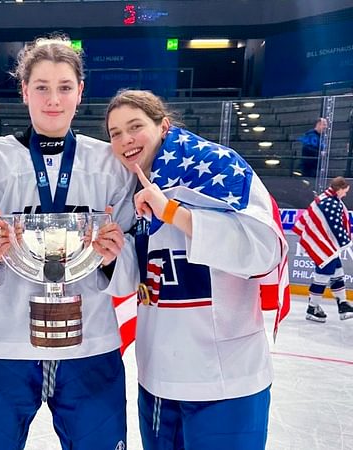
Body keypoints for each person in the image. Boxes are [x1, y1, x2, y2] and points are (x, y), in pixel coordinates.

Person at [0, 36, 138, 450]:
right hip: (3, 343)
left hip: (91, 344)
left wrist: (115, 257)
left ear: (80, 91)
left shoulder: (111, 163)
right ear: (24, 91)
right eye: (41, 87)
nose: (52, 99)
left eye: (64, 87)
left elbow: (130, 250)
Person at [105, 89, 287, 450]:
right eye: (114, 133)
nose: (125, 139)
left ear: (164, 125)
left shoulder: (220, 167)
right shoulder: (126, 190)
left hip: (226, 382)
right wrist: (111, 253)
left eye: (135, 126)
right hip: (158, 379)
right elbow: (139, 282)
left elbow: (266, 250)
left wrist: (173, 212)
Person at [293, 176, 353, 322]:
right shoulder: (331, 203)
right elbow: (335, 227)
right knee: (323, 275)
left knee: (338, 272)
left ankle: (342, 303)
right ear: (339, 189)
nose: (346, 194)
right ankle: (313, 308)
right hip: (324, 245)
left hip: (326, 244)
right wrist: (346, 242)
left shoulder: (325, 198)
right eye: (345, 191)